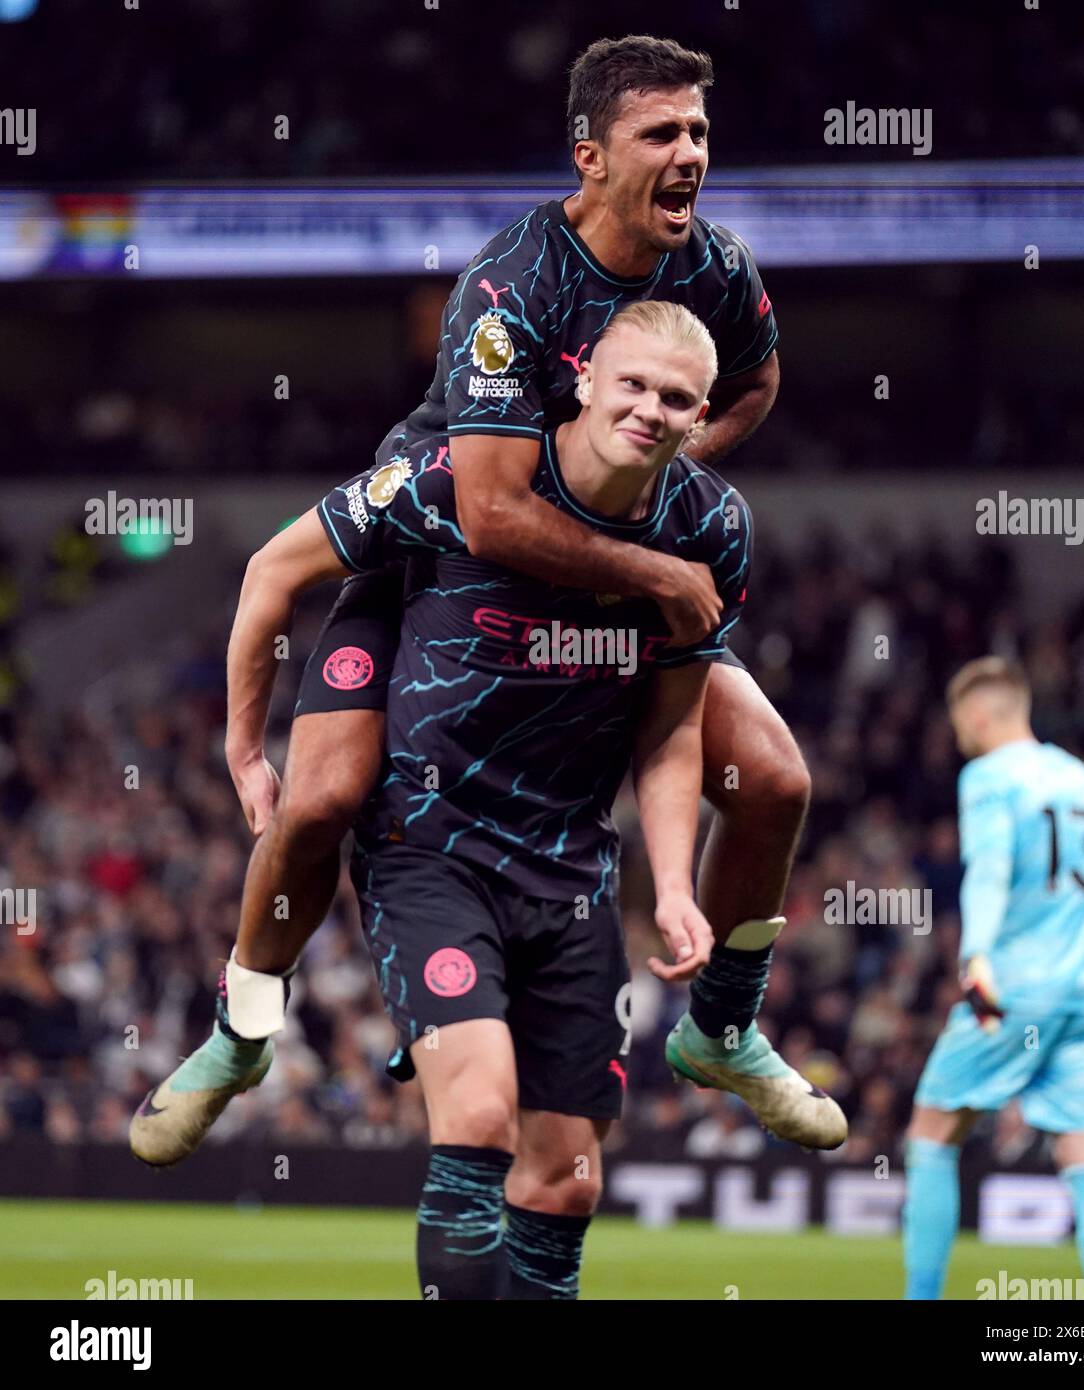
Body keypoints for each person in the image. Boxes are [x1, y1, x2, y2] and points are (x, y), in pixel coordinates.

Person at [154, 33, 831, 1155]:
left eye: (699, 132)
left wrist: (669, 469)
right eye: (659, 133)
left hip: (598, 566)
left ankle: (720, 1026)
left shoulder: (713, 269)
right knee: (320, 804)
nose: (690, 154)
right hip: (435, 552)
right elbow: (492, 513)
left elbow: (755, 377)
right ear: (590, 157)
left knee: (770, 779)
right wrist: (659, 566)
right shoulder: (511, 289)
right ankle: (242, 1027)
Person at [133, 305, 845, 1297]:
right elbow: (272, 569)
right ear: (584, 375)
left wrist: (676, 888)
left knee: (563, 1181)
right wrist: (244, 748)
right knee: (472, 1114)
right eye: (630, 384)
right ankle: (239, 1026)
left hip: (569, 863)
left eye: (675, 399)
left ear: (701, 419)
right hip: (429, 843)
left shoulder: (710, 529)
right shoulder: (450, 481)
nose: (647, 410)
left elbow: (673, 731)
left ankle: (724, 1027)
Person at [902, 657, 1084, 1300]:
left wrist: (977, 956)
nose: (958, 737)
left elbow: (991, 869)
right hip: (1082, 991)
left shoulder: (990, 777)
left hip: (1015, 985)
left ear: (977, 715)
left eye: (957, 723)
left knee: (931, 1132)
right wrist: (1074, 958)